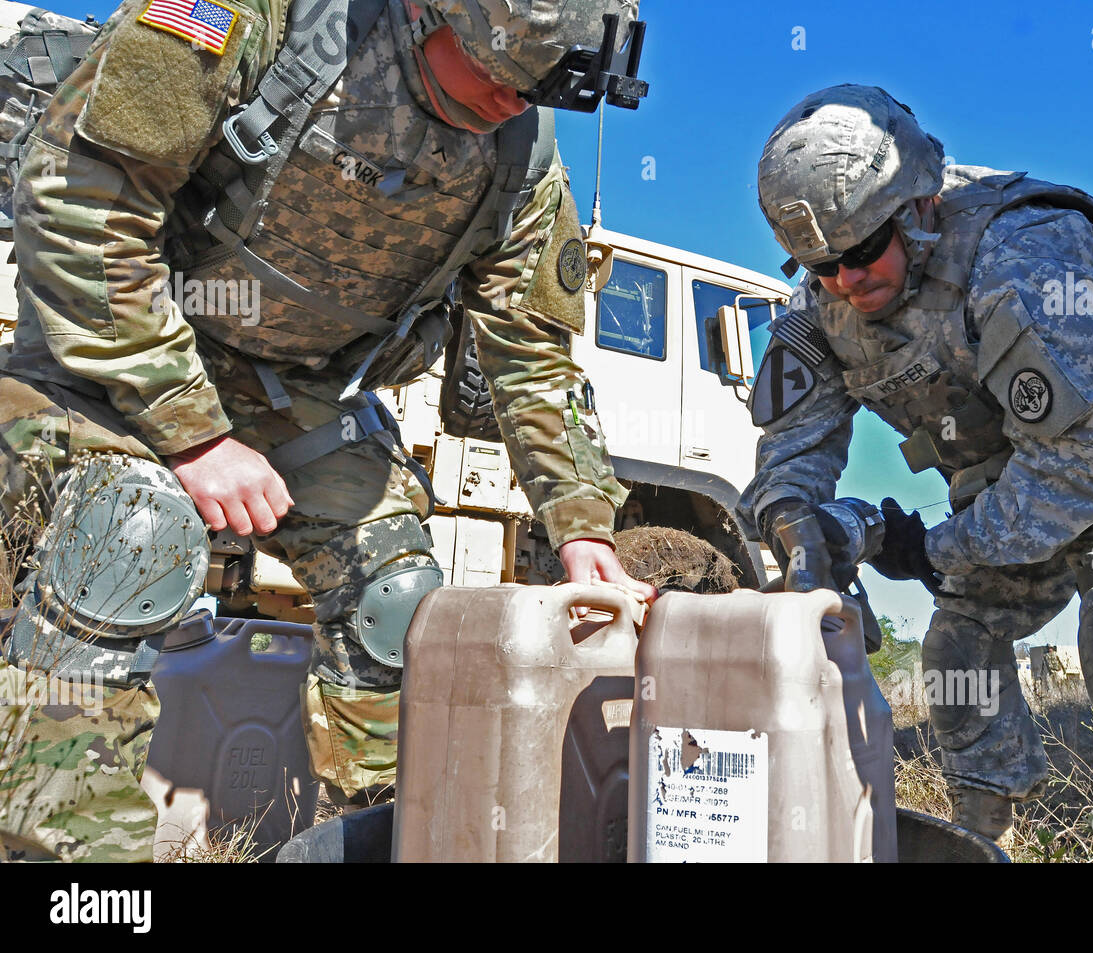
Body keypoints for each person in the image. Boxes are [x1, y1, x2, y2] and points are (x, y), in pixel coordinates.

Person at [0, 0, 654, 861]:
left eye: (534, 87)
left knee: (402, 598)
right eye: (495, 72)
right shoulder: (256, 20)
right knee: (131, 533)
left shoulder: (520, 157)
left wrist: (579, 521)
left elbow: (528, 353)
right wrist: (193, 434)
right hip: (112, 352)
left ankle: (373, 835)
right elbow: (81, 203)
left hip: (286, 391)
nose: (511, 102)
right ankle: (65, 861)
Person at [739, 84, 1093, 862]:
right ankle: (980, 836)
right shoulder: (822, 303)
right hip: (1008, 462)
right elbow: (790, 451)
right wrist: (797, 524)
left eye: (863, 253)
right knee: (957, 650)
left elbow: (1083, 463)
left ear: (922, 208)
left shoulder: (1032, 253)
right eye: (821, 264)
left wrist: (937, 549)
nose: (846, 282)